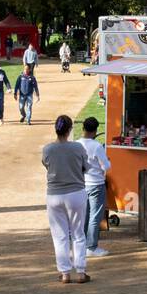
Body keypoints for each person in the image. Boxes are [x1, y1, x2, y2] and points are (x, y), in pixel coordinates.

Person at [43, 115, 90, 284]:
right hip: (76, 193)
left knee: (60, 236)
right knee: (78, 233)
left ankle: (64, 273)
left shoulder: (48, 149)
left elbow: (46, 165)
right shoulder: (77, 147)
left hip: (54, 194)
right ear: (70, 130)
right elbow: (87, 167)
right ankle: (81, 271)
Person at [80, 116, 111, 257]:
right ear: (95, 130)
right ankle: (91, 246)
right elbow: (106, 166)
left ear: (83, 128)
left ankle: (82, 244)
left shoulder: (77, 144)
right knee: (95, 216)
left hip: (82, 183)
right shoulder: (97, 146)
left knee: (84, 215)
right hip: (96, 184)